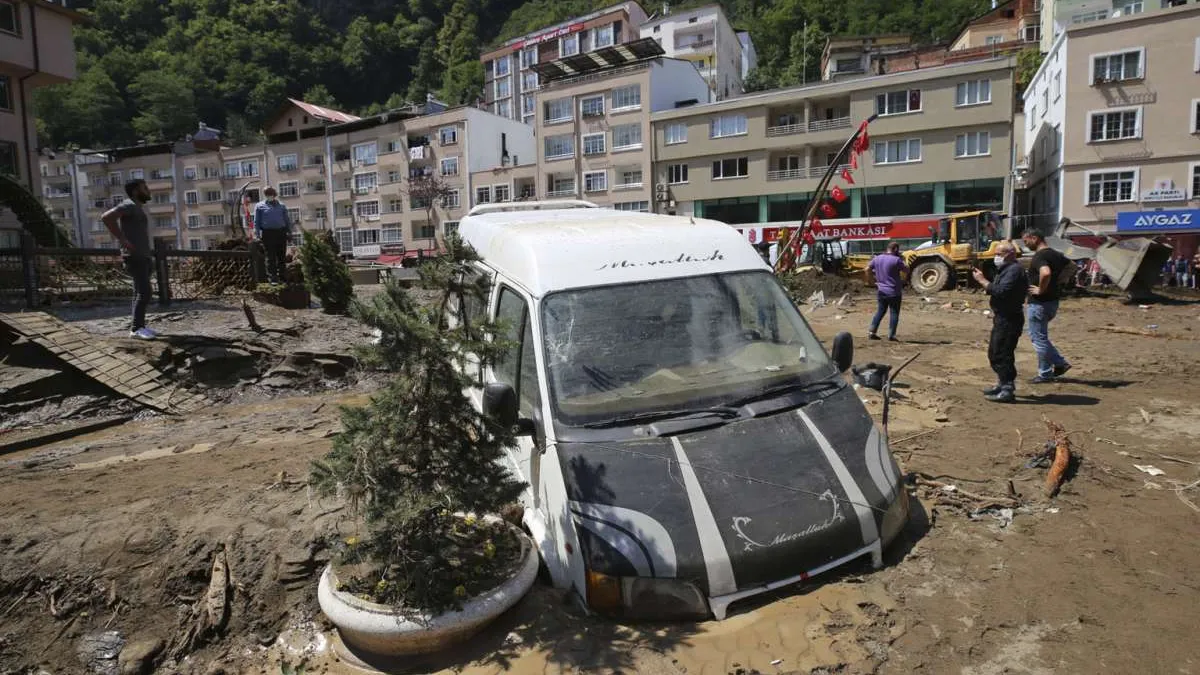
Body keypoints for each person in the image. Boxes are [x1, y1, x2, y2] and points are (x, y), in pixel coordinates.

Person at [101, 179, 155, 339]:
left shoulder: (136, 207)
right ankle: (136, 329)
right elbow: (106, 217)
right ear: (135, 191)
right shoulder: (129, 204)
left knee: (139, 292)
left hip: (142, 255)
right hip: (134, 256)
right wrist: (122, 240)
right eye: (145, 188)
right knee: (145, 292)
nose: (148, 191)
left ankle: (139, 326)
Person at [973, 242, 1026, 403]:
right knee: (995, 352)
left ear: (1010, 254)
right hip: (1002, 317)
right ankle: (1001, 383)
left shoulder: (1014, 270)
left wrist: (983, 281)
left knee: (1002, 354)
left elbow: (1001, 291)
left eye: (999, 254)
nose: (996, 257)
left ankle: (1007, 388)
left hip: (1009, 318)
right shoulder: (1006, 270)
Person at [1022, 229, 1071, 383]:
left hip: (1039, 303)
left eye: (1026, 241)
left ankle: (1057, 365)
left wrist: (1041, 289)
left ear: (1034, 238)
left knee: (1038, 338)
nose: (1026, 244)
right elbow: (1072, 267)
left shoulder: (1040, 256)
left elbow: (1046, 273)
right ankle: (1046, 372)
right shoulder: (1055, 254)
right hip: (1052, 302)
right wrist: (1058, 283)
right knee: (1041, 337)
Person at [866, 241, 907, 341]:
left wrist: (871, 282)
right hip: (894, 292)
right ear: (896, 249)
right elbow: (907, 270)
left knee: (880, 311)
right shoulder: (897, 260)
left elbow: (866, 269)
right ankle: (891, 335)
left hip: (881, 291)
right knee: (894, 313)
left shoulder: (877, 258)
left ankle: (872, 332)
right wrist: (904, 261)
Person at [254, 186, 293, 283]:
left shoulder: (282, 206)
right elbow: (257, 222)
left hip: (281, 233)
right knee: (270, 257)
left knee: (281, 256)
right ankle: (273, 278)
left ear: (274, 194)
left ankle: (283, 277)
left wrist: (289, 233)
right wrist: (257, 236)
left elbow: (287, 220)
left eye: (270, 194)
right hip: (268, 234)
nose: (269, 196)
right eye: (267, 194)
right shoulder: (259, 206)